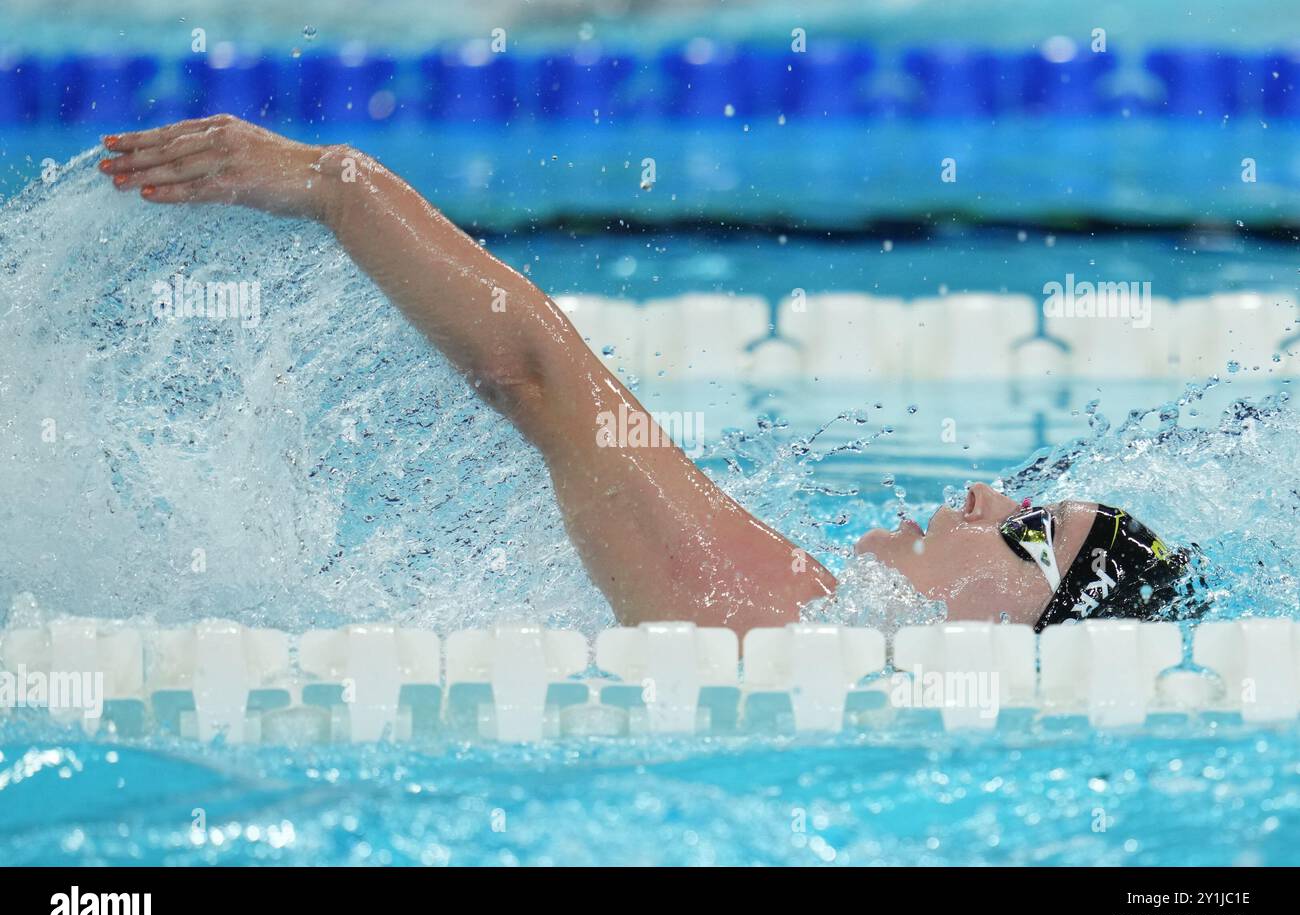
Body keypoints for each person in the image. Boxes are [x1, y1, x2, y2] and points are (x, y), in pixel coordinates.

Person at [97, 115, 1196, 639]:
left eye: (1023, 535)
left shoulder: (783, 619)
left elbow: (532, 375)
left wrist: (335, 181)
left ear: (1026, 645)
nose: (984, 494)